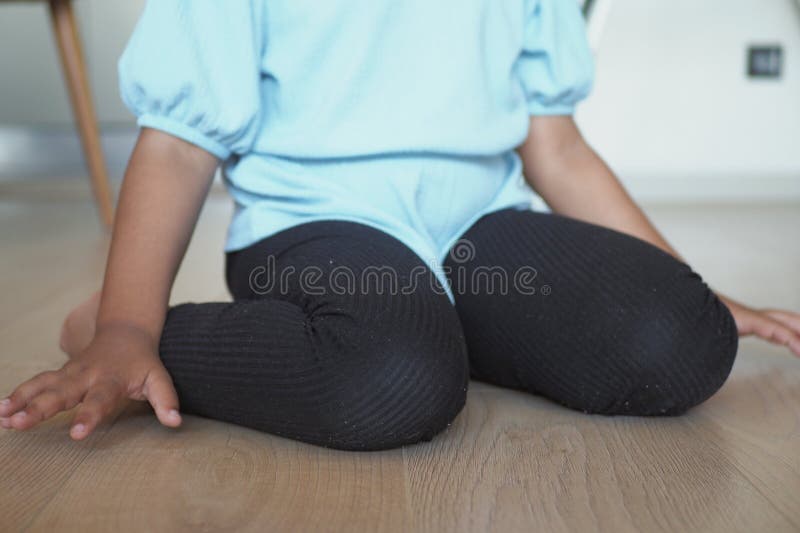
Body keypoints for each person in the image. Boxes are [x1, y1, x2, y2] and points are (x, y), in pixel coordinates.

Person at [1, 0, 798, 451]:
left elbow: (553, 141)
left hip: (475, 227)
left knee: (683, 336)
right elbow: (178, 145)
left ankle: (442, 317)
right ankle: (147, 340)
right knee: (395, 378)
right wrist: (125, 320)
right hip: (314, 221)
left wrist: (697, 288)